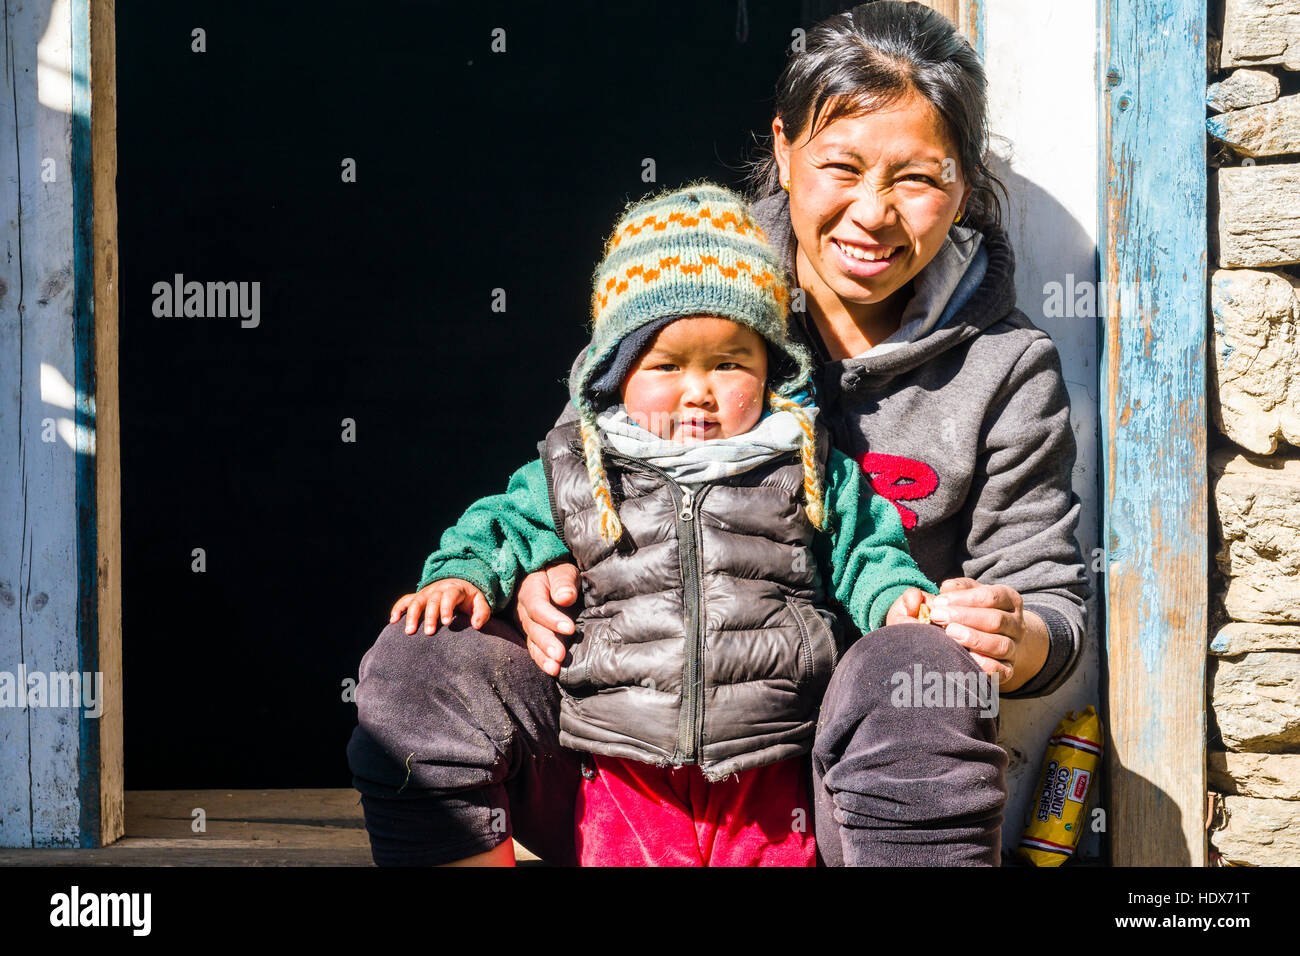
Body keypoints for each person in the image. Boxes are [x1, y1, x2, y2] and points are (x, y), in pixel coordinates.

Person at [347, 1, 1087, 866]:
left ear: (962, 183)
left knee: (917, 676)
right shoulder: (684, 278)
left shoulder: (1005, 365)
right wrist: (530, 570)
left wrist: (1013, 632)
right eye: (841, 166)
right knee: (416, 668)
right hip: (616, 748)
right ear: (783, 149)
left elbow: (1050, 606)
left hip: (832, 777)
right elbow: (570, 460)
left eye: (918, 179)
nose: (873, 214)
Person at [399, 182, 941, 866]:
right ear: (615, 372)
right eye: (665, 366)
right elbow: (505, 523)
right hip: (625, 766)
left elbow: (867, 549)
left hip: (769, 763)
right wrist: (462, 574)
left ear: (770, 368)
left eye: (729, 363)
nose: (698, 390)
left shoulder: (804, 463)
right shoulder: (583, 465)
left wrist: (899, 599)